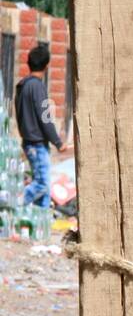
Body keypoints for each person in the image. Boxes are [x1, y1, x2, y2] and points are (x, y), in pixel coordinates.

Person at [14, 45, 65, 208]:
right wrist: (57, 142)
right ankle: (13, 203)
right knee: (42, 184)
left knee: (44, 187)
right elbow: (46, 118)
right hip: (37, 143)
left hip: (28, 142)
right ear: (47, 66)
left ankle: (41, 225)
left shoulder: (22, 86)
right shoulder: (37, 87)